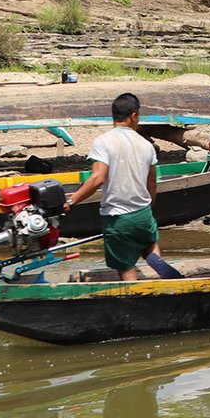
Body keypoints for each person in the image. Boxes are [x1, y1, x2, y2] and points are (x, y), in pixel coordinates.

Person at [63, 92, 162, 280]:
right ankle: (161, 273)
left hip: (118, 218)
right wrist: (148, 210)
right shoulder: (146, 144)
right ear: (133, 116)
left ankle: (134, 303)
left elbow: (97, 179)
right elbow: (152, 184)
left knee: (126, 267)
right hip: (143, 214)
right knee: (150, 243)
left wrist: (71, 201)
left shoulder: (103, 142)